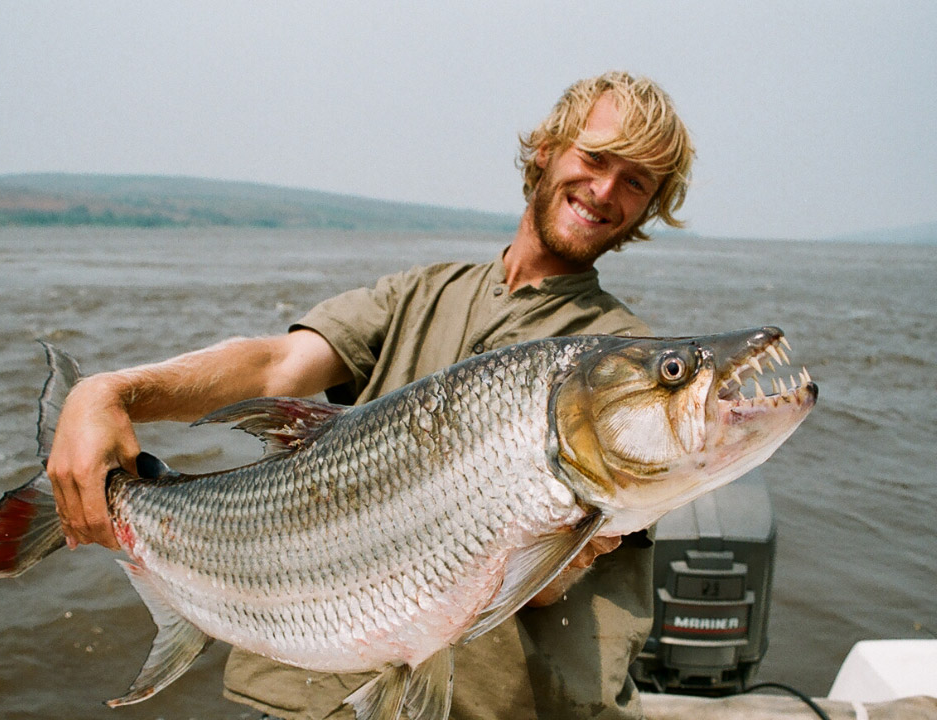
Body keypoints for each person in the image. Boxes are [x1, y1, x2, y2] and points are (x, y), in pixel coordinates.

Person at [46, 70, 695, 720]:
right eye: (596, 157)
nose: (606, 190)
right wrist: (113, 394)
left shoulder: (626, 361)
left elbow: (550, 590)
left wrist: (569, 549)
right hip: (303, 690)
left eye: (637, 181)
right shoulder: (421, 293)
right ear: (548, 149)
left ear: (650, 207)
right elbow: (277, 366)